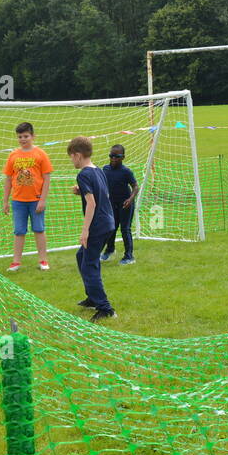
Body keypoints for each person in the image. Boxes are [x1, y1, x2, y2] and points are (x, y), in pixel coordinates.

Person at [68, 136, 116, 320]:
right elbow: (103, 193)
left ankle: (105, 308)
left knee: (89, 265)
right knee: (81, 256)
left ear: (78, 155)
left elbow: (92, 203)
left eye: (71, 157)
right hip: (108, 222)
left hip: (97, 226)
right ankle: (92, 297)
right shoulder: (98, 171)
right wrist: (81, 190)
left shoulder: (83, 174)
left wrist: (85, 230)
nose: (71, 160)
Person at [3, 122, 53, 272]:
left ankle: (43, 260)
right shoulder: (13, 155)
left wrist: (42, 200)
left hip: (36, 200)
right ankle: (16, 262)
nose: (23, 139)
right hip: (18, 201)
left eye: (26, 136)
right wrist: (5, 201)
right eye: (20, 137)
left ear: (33, 136)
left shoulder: (41, 154)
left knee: (39, 229)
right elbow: (8, 179)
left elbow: (47, 177)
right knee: (19, 231)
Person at [100, 144, 139, 265]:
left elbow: (135, 187)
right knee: (111, 227)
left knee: (125, 229)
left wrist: (130, 199)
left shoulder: (126, 172)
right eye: (111, 156)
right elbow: (100, 184)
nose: (113, 159)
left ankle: (129, 256)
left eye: (117, 156)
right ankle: (110, 249)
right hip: (112, 204)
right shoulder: (105, 169)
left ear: (123, 157)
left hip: (125, 204)